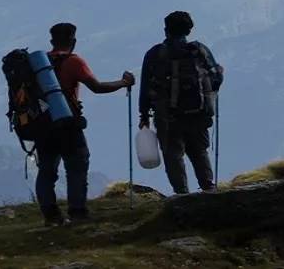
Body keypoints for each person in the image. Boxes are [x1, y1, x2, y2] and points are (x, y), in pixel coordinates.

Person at [35, 22, 135, 226]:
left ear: (52, 40)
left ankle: (51, 216)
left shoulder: (38, 64)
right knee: (76, 167)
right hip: (67, 125)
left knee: (46, 171)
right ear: (73, 40)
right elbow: (97, 87)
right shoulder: (74, 62)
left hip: (42, 126)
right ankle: (77, 212)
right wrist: (123, 83)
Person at [139, 11, 224, 194]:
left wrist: (144, 114)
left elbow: (145, 87)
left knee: (173, 154)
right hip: (199, 112)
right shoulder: (199, 50)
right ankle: (208, 187)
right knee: (199, 151)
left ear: (166, 30)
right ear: (189, 29)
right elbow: (216, 77)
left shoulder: (155, 54)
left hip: (167, 116)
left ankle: (181, 193)